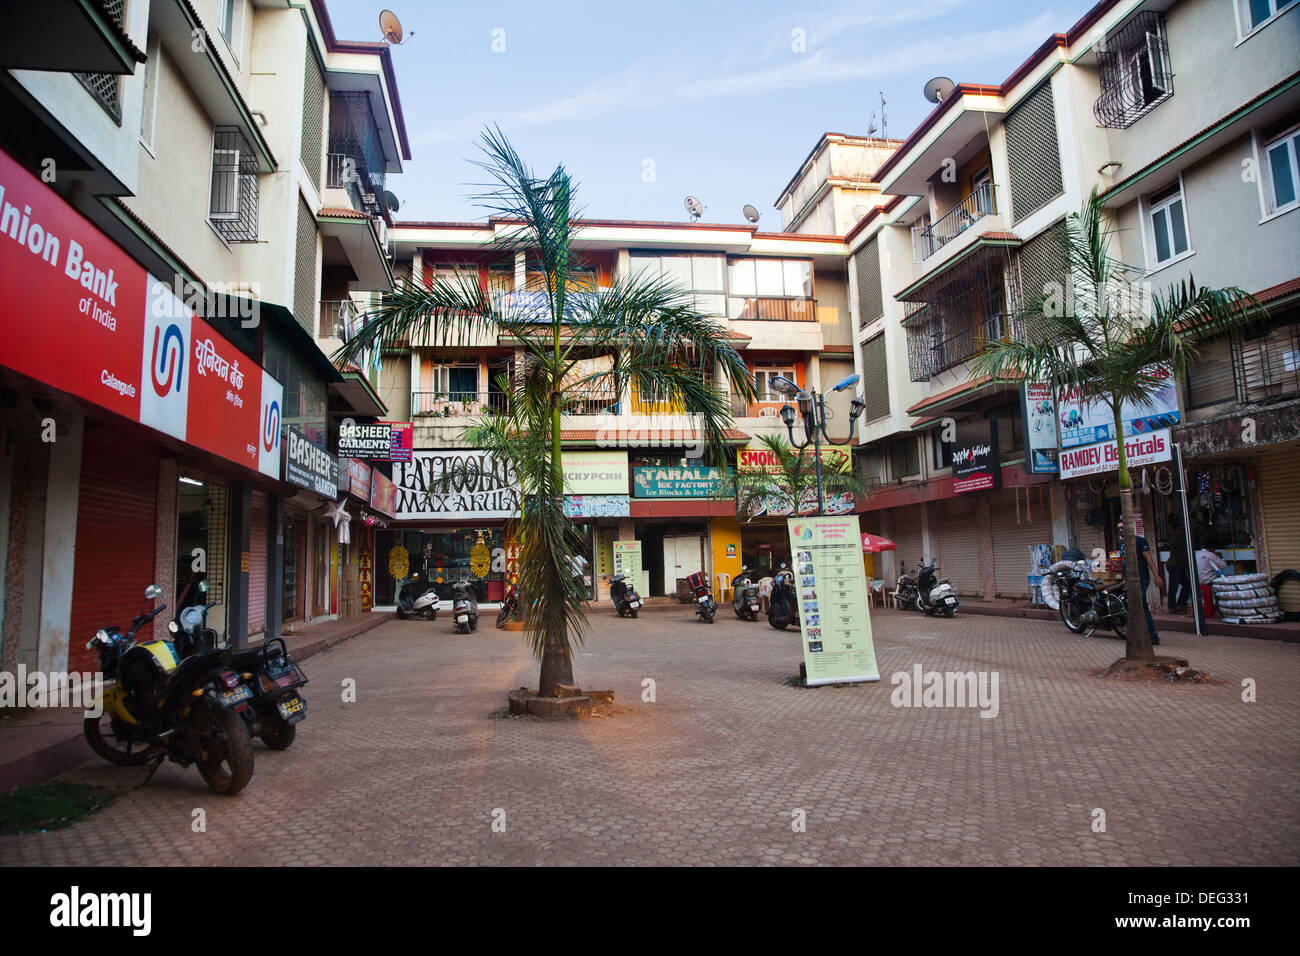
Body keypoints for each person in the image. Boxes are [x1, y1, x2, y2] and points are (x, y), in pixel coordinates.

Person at [1118, 521, 1166, 645]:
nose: (1121, 530)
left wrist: (1156, 576)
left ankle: (1152, 636)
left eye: (1123, 528)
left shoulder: (1140, 541)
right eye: (1119, 528)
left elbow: (1149, 559)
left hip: (1141, 579)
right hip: (1129, 580)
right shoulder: (1122, 545)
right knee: (1138, 606)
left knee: (1141, 607)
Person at [1164, 514, 1191, 615]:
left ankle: (1180, 604)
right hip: (1175, 565)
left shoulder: (1175, 537)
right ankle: (1172, 606)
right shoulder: (1178, 538)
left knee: (1186, 585)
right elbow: (1186, 546)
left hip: (1177, 565)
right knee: (1174, 586)